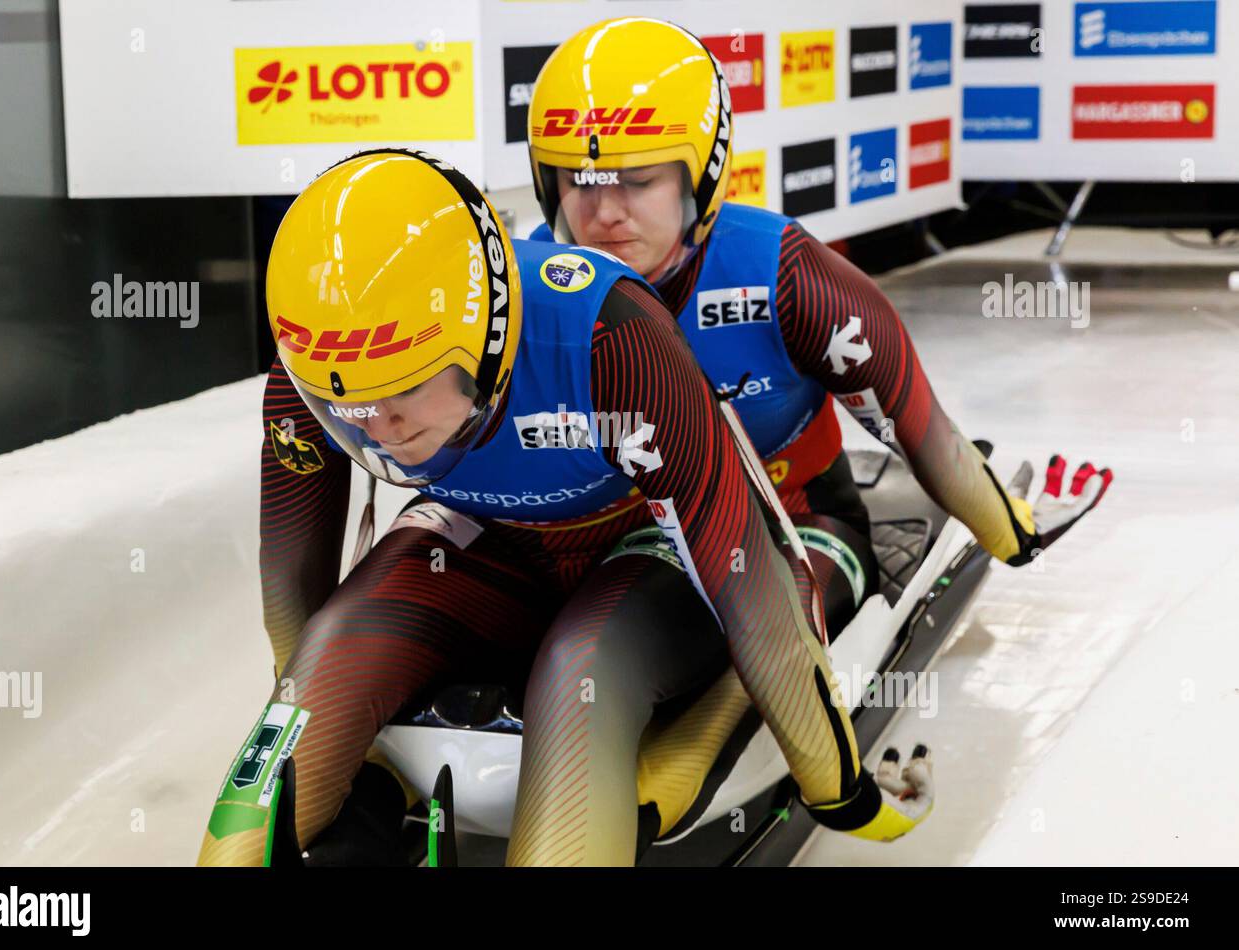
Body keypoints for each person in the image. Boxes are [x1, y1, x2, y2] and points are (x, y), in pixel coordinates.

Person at [197, 147, 945, 867]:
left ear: (487, 341)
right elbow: (295, 607)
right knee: (334, 644)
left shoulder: (609, 334)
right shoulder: (308, 375)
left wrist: (840, 793)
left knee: (583, 665)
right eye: (343, 404)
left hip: (646, 538)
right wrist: (341, 757)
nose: (376, 427)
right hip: (492, 542)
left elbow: (749, 584)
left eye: (402, 387)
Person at [505, 17, 1114, 858]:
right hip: (615, 546)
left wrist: (1010, 533)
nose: (603, 213)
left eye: (638, 180)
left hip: (792, 522)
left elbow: (920, 428)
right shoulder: (517, 287)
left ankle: (731, 730)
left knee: (736, 624)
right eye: (577, 180)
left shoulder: (781, 274)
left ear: (701, 175)